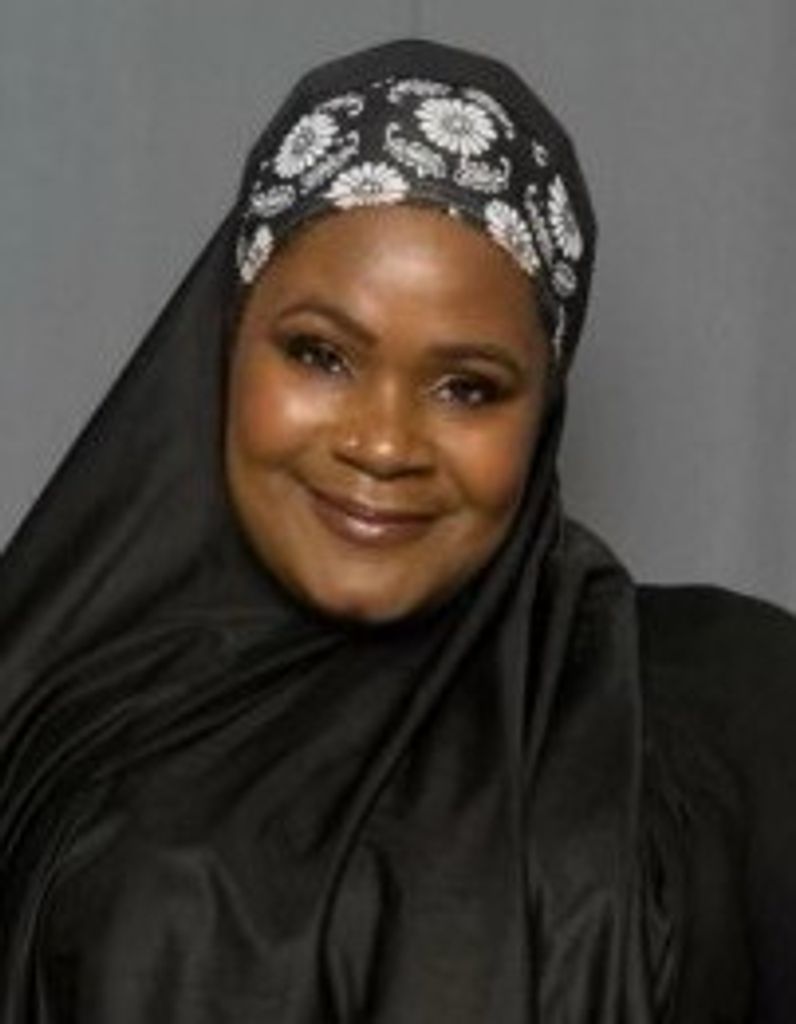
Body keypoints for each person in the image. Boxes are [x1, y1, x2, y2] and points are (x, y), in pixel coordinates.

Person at [1, 37, 794, 1024]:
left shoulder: (727, 716)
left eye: (467, 388)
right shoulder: (54, 713)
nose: (383, 444)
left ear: (542, 408)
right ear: (226, 343)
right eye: (320, 355)